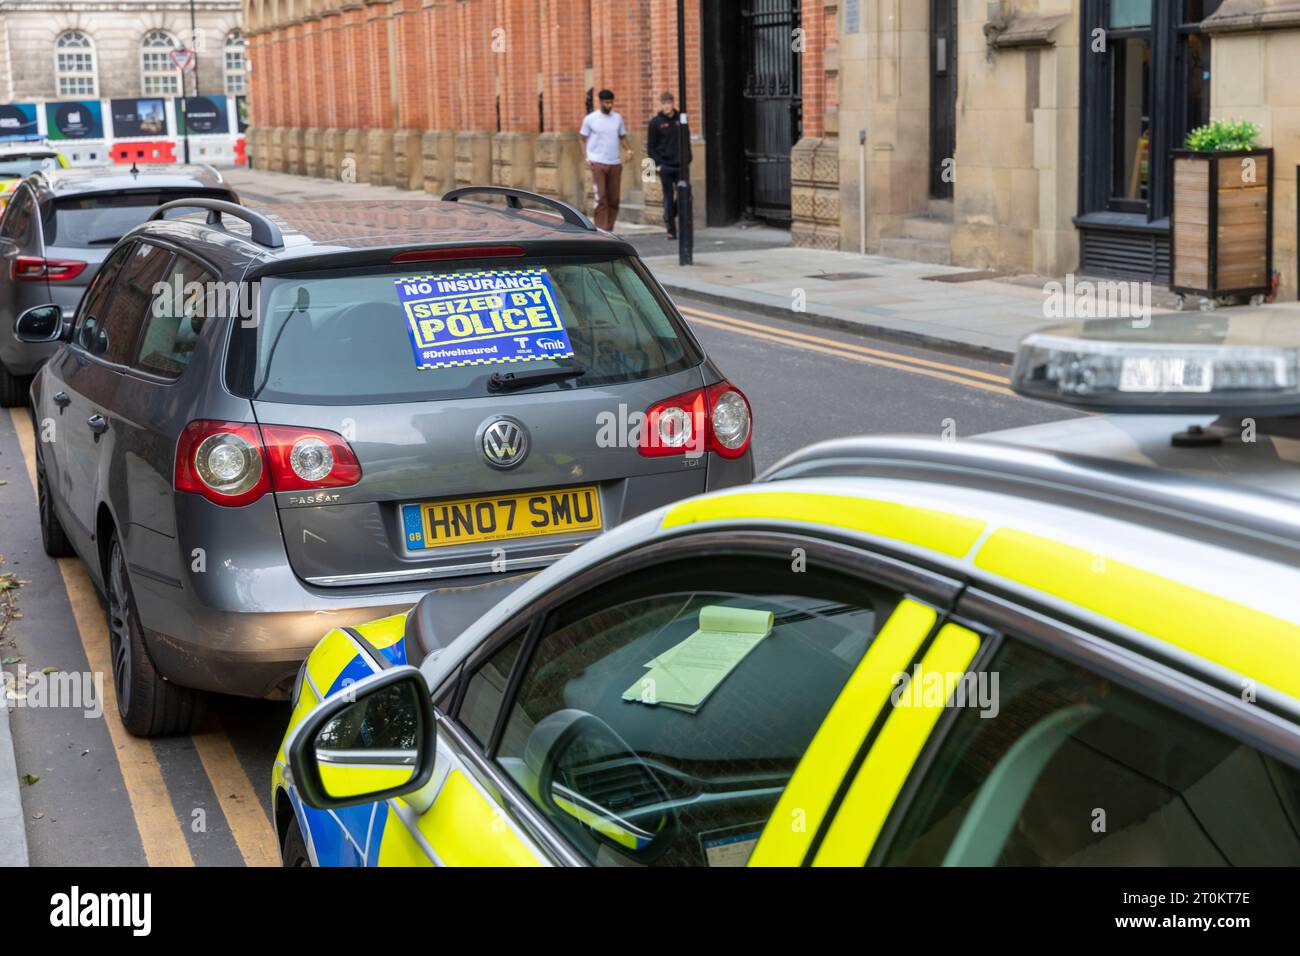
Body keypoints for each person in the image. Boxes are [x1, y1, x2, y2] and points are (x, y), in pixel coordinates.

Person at [580, 89, 632, 232]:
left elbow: (622, 136)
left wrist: (628, 150)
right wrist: (587, 157)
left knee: (614, 199)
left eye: (611, 102)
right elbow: (582, 139)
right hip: (597, 162)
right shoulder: (591, 119)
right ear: (601, 102)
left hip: (615, 163)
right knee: (601, 198)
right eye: (607, 102)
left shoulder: (617, 118)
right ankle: (601, 230)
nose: (609, 105)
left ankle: (609, 229)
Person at [647, 91, 692, 240]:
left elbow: (686, 140)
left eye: (669, 103)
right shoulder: (656, 122)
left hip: (681, 165)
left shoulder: (681, 120)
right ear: (661, 104)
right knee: (668, 196)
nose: (666, 106)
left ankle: (671, 215)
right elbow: (651, 147)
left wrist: (688, 159)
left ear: (673, 103)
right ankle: (671, 229)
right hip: (665, 166)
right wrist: (658, 165)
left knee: (683, 195)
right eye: (664, 104)